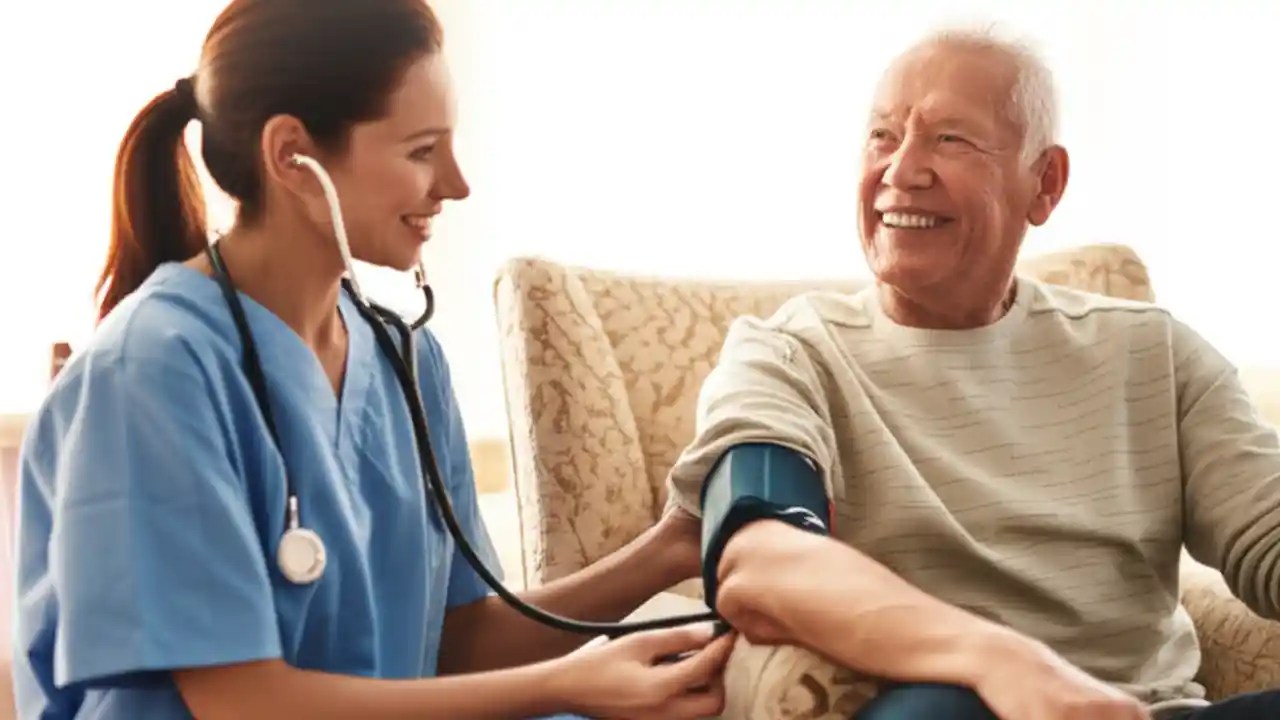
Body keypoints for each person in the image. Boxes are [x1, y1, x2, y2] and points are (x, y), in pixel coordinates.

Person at [10, 1, 735, 718]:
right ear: (292, 155)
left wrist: (671, 548)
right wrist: (569, 683)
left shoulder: (408, 361)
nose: (456, 183)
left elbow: (455, 643)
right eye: (422, 150)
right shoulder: (151, 371)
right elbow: (241, 702)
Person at [665, 25, 1280, 720]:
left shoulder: (1154, 353)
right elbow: (761, 563)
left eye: (949, 139)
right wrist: (1004, 661)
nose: (901, 171)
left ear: (1044, 184)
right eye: (883, 137)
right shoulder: (789, 355)